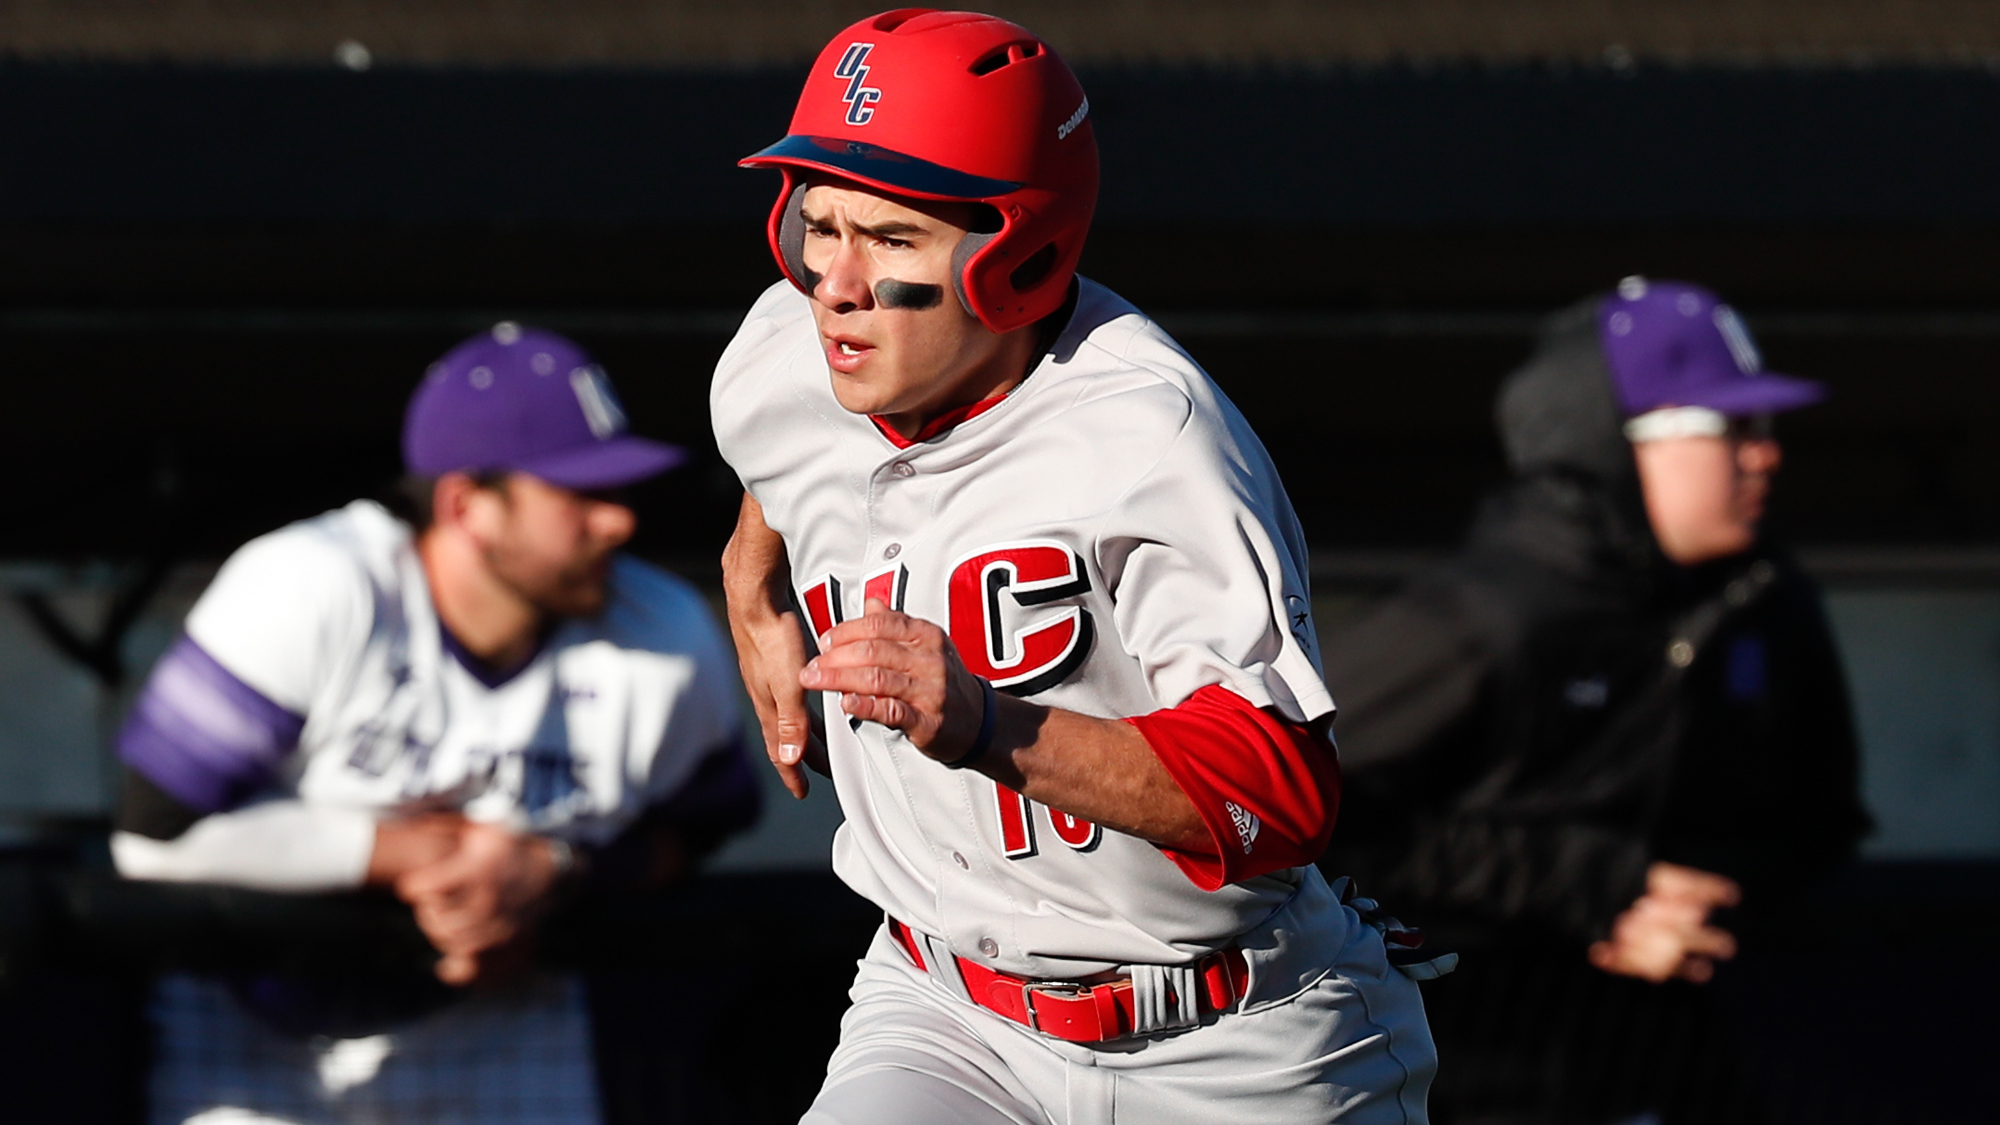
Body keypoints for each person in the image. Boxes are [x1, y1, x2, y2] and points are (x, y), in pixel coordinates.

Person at [713, 10, 1437, 1124]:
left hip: (1229, 1037)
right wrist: (751, 570)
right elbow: (782, 443)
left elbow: (1278, 794)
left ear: (1020, 252)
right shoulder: (784, 352)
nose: (836, 284)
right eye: (821, 223)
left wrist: (988, 724)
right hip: (942, 1009)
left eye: (893, 239)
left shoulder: (1152, 436)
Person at [109, 323, 761, 1125]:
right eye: (579, 494)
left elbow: (705, 828)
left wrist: (555, 868)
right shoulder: (314, 583)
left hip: (502, 1024)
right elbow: (151, 835)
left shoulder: (663, 631)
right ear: (466, 504)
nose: (618, 522)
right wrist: (418, 852)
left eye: (619, 492)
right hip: (256, 1036)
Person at [1319, 278, 1872, 1124]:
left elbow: (1821, 822)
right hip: (1463, 1064)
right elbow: (1295, 814)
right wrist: (1596, 888)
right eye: (1730, 427)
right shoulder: (1486, 621)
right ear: (1613, 446)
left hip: (1677, 1056)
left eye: (1765, 427)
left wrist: (1702, 895)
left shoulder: (1764, 600)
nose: (1766, 453)